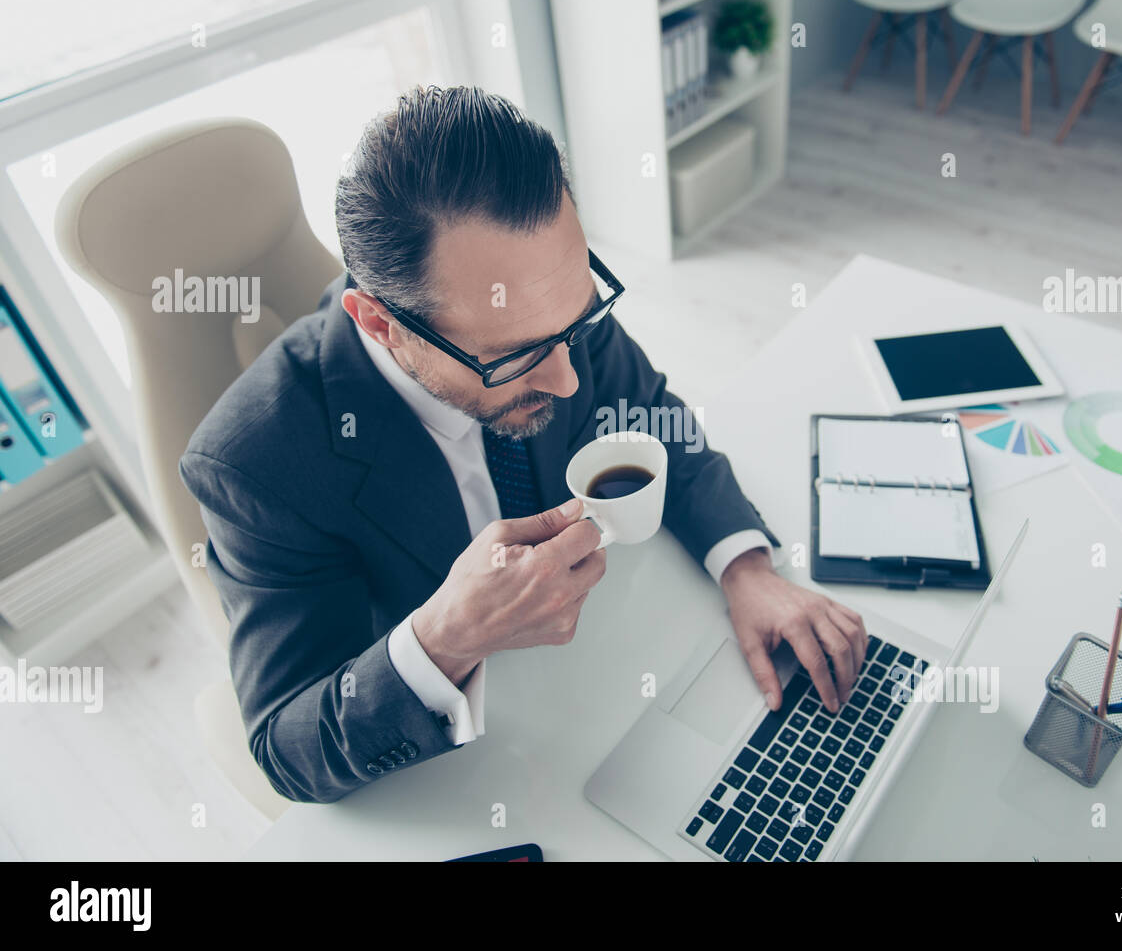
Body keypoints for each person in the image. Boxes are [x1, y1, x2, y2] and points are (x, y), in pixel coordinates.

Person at [180, 84, 868, 804]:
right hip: (466, 772)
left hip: (600, 686)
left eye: (578, 321)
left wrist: (747, 566)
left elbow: (650, 412)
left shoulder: (542, 297)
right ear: (381, 324)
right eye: (514, 357)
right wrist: (445, 636)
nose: (570, 378)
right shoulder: (254, 466)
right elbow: (288, 750)